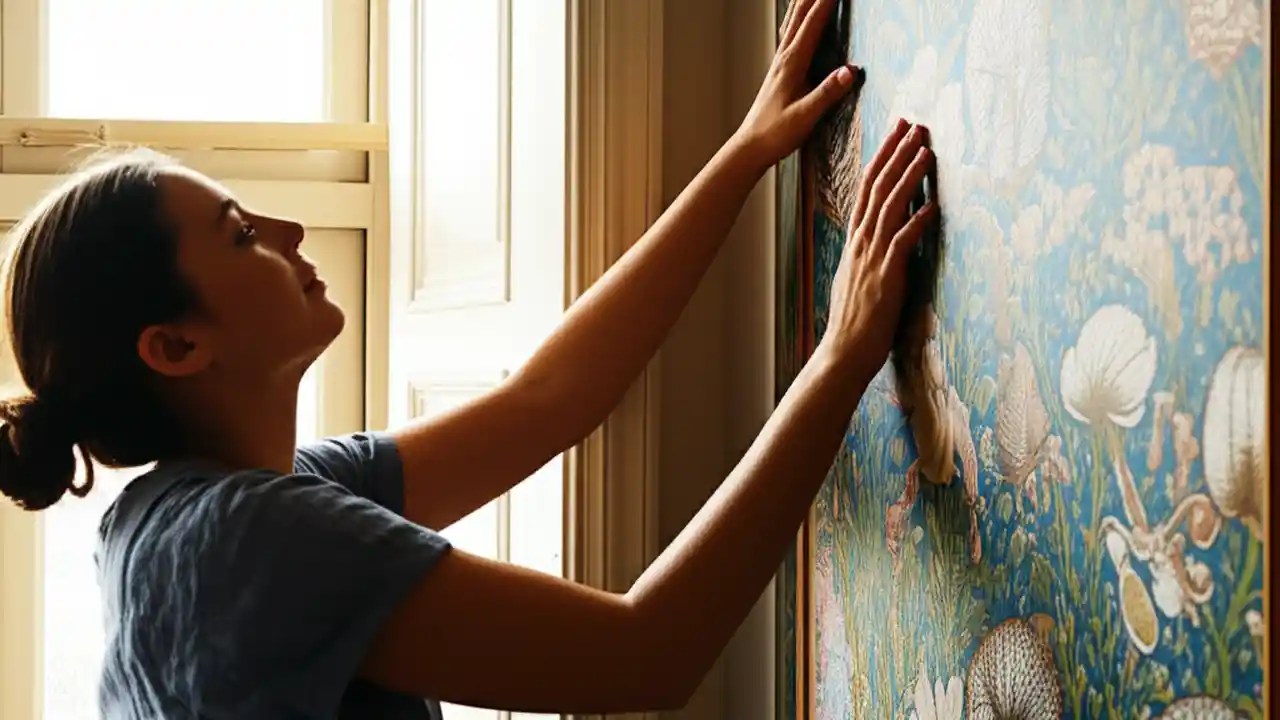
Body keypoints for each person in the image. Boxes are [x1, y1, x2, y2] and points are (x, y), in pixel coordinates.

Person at [0, 0, 937, 716]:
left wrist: (741, 156)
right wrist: (841, 355)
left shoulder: (223, 511)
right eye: (241, 234)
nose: (288, 230)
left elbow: (549, 398)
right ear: (175, 346)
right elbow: (644, 652)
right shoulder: (235, 542)